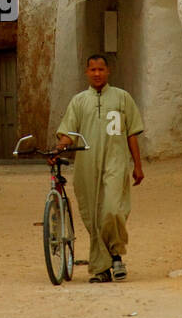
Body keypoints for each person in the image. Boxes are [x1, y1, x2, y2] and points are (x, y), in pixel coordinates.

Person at [54, 53, 144, 283]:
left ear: (108, 71)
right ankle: (102, 268)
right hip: (86, 164)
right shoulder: (78, 101)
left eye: (100, 69)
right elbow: (68, 131)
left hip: (115, 160)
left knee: (112, 209)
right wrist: (60, 147)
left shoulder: (123, 98)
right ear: (86, 72)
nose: (96, 74)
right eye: (92, 70)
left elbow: (132, 132)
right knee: (93, 215)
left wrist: (138, 165)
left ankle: (115, 252)